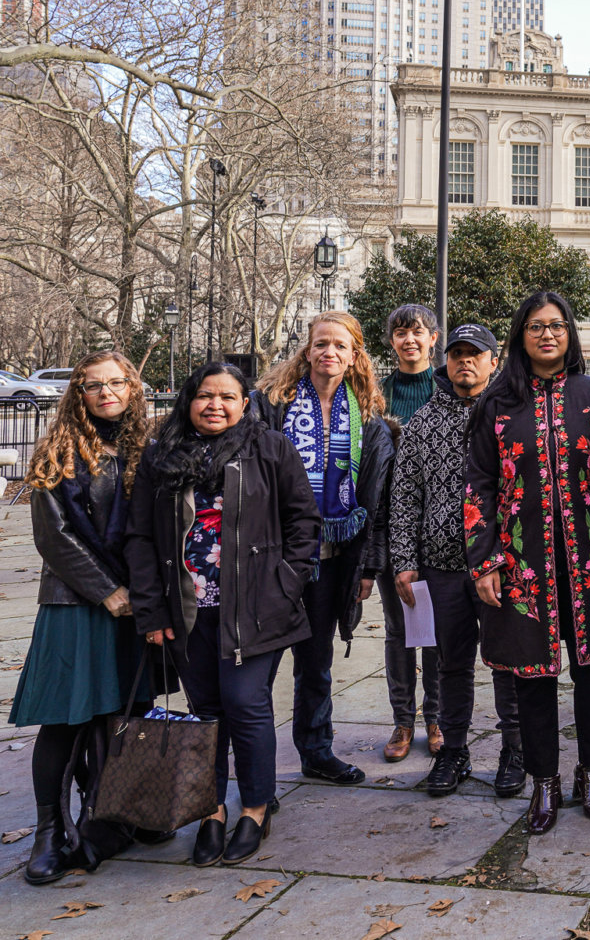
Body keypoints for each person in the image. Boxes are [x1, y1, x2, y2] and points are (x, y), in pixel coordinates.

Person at [126, 362, 320, 866]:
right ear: (188, 400)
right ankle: (210, 809)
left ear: (244, 404)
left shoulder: (270, 448)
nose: (215, 405)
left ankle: (255, 807)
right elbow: (140, 537)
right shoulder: (161, 455)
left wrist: (286, 584)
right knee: (206, 711)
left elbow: (303, 521)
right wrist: (151, 610)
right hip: (187, 610)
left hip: (257, 609)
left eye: (227, 397)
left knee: (245, 703)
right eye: (205, 396)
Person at [465, 292, 590, 834]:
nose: (547, 335)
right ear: (521, 335)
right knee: (531, 676)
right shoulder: (496, 403)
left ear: (569, 333)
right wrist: (486, 558)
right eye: (536, 326)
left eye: (556, 325)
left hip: (589, 561)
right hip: (521, 564)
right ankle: (544, 781)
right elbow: (479, 483)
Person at [13, 353, 153, 885]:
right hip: (75, 602)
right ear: (79, 393)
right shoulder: (60, 449)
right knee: (65, 720)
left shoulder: (146, 447)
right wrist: (105, 590)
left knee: (125, 715)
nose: (106, 392)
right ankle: (50, 831)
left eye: (116, 383)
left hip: (136, 602)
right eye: (94, 385)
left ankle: (115, 814)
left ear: (132, 388)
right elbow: (52, 535)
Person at [254, 311, 394, 787]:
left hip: (333, 561)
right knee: (259, 668)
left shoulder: (369, 421)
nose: (329, 352)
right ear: (307, 350)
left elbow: (376, 502)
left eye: (339, 345)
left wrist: (369, 569)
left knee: (316, 665)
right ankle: (254, 769)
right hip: (275, 559)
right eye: (321, 344)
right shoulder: (272, 407)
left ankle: (316, 751)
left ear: (354, 355)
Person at [389, 323, 523, 799]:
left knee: (508, 662)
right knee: (450, 664)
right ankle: (454, 750)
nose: (465, 361)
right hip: (442, 566)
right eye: (457, 353)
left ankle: (514, 749)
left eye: (475, 354)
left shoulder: (510, 413)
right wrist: (404, 559)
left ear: (493, 361)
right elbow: (405, 496)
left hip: (502, 565)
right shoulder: (423, 422)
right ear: (445, 361)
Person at [376, 303, 443, 763]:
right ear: (392, 341)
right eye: (401, 333)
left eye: (417, 332)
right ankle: (403, 721)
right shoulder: (376, 395)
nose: (409, 340)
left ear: (433, 338)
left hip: (437, 528)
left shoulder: (446, 390)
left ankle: (436, 716)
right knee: (399, 628)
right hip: (389, 526)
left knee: (434, 629)